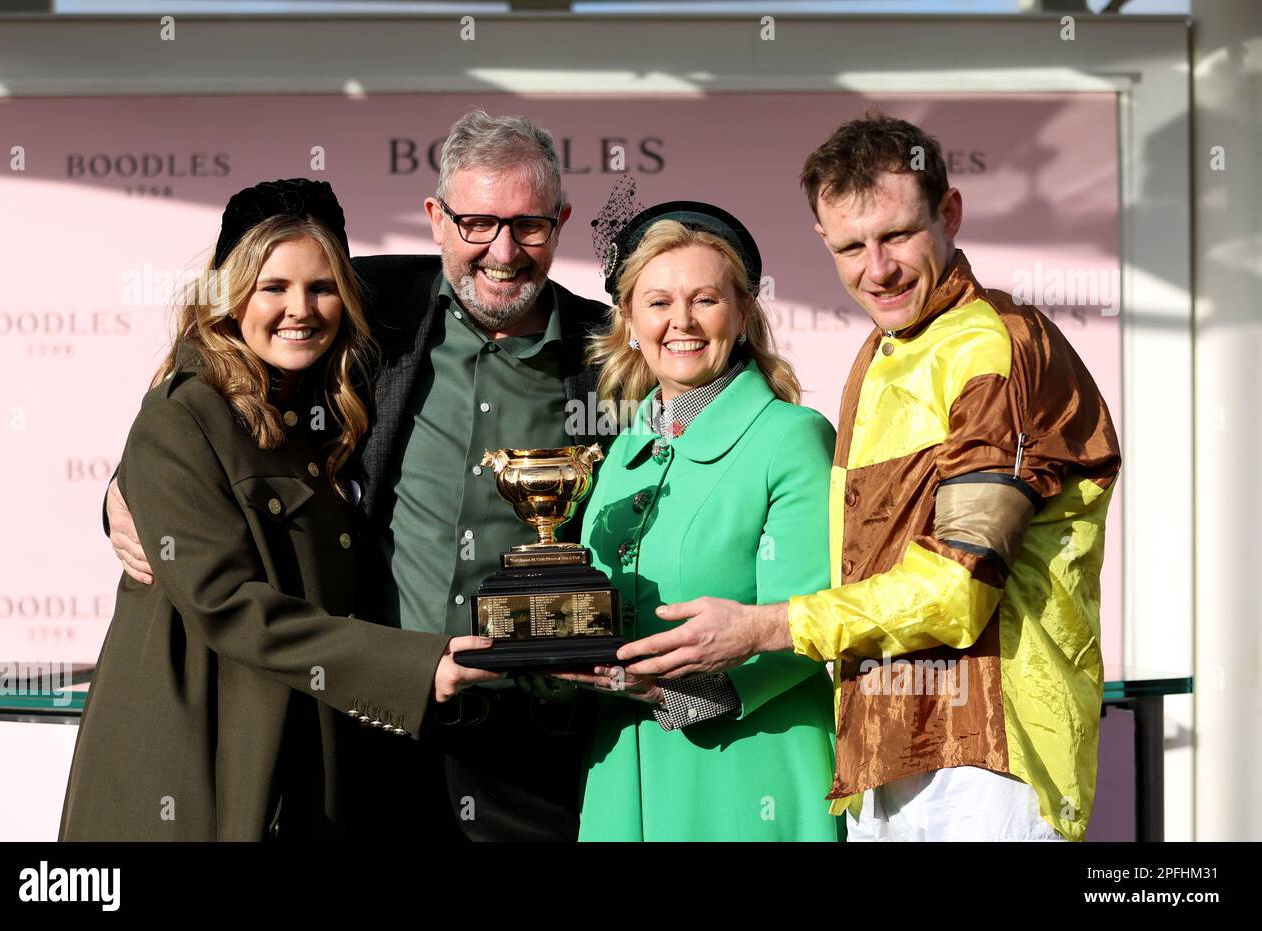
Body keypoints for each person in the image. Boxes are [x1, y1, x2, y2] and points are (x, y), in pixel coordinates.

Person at [103, 112, 612, 842]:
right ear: (436, 219)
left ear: (561, 222)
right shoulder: (367, 309)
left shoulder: (614, 353)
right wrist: (122, 491)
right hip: (366, 731)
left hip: (528, 745)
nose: (502, 250)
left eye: (528, 225)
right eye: (476, 223)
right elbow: (214, 375)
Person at [616, 113, 1122, 842]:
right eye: (851, 246)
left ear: (949, 214)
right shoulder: (882, 350)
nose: (875, 268)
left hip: (991, 758)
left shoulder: (995, 348)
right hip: (885, 751)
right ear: (823, 241)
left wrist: (766, 625)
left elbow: (960, 587)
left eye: (896, 236)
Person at [61, 179, 499, 841]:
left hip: (307, 759)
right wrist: (416, 666)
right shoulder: (184, 414)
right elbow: (230, 604)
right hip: (197, 769)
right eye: (274, 287)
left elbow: (436, 279)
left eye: (323, 287)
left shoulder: (328, 405)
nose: (301, 308)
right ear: (232, 292)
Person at [551, 203, 841, 841]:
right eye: (657, 302)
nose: (679, 321)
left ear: (741, 315)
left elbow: (814, 620)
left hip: (749, 770)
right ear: (630, 321)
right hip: (617, 771)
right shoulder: (617, 454)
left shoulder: (793, 438)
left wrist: (669, 693)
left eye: (704, 299)